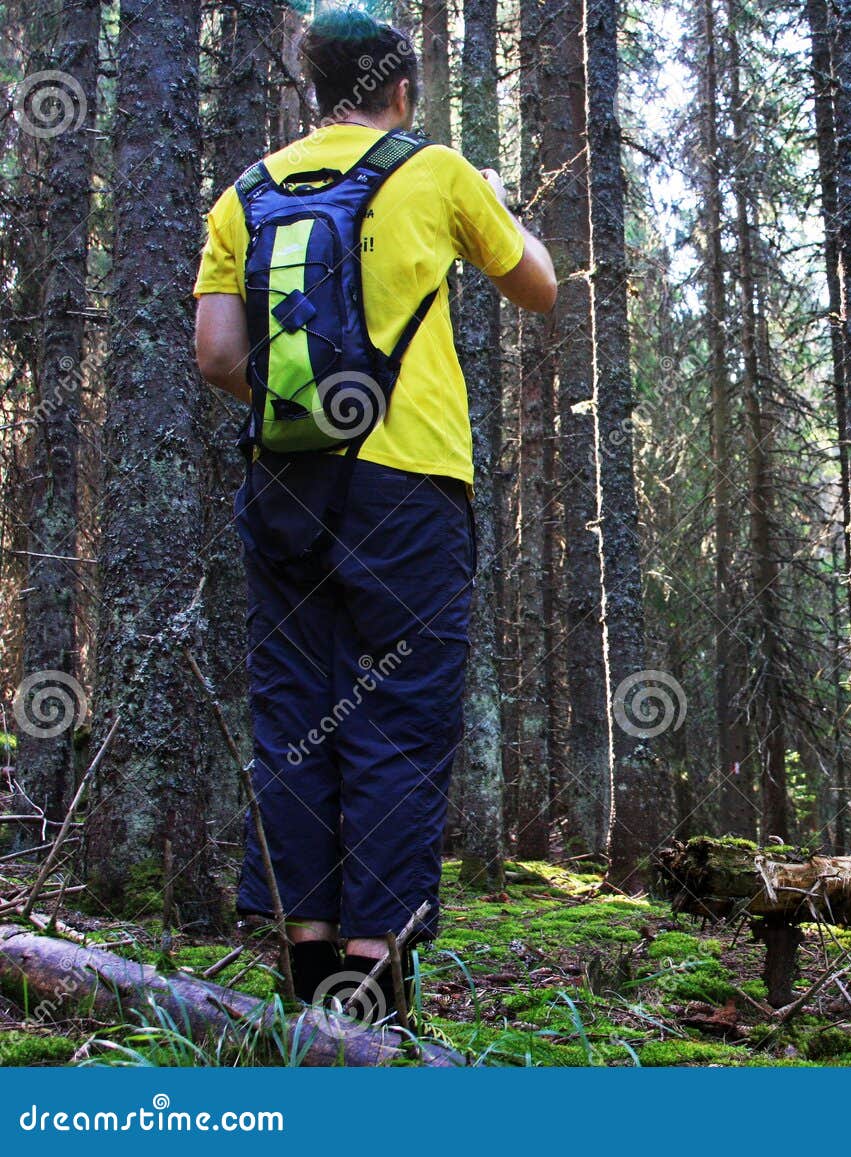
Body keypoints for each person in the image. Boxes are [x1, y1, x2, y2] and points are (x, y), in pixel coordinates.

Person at [192, 7, 555, 1019]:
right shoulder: (433, 173)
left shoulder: (245, 195)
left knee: (294, 720)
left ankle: (306, 991)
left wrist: (304, 410)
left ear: (317, 93)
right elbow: (539, 286)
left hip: (283, 483)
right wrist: (494, 199)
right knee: (396, 724)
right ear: (398, 90)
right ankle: (372, 1008)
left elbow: (219, 358)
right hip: (410, 488)